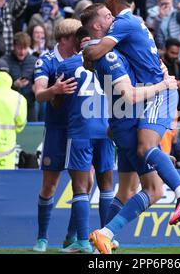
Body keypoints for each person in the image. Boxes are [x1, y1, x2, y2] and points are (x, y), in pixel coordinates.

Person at [83, 0, 180, 228]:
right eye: (104, 16)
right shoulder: (128, 27)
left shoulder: (123, 25)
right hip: (136, 106)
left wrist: (87, 52)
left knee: (145, 154)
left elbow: (94, 57)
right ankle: (104, 238)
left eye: (107, 9)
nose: (108, 15)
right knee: (130, 189)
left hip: (153, 96)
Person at [79, 3, 179, 254]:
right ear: (96, 25)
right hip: (130, 124)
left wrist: (158, 69)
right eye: (106, 15)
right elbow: (129, 94)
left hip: (123, 124)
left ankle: (104, 238)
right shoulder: (107, 53)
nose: (112, 17)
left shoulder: (111, 47)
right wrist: (164, 85)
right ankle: (106, 233)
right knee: (154, 190)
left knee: (126, 189)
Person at [55, 29, 115, 254]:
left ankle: (82, 242)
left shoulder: (68, 65)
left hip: (81, 130)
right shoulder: (111, 61)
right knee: (107, 185)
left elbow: (57, 101)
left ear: (80, 43)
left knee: (80, 188)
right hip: (107, 129)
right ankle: (108, 238)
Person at [33, 18, 82, 252]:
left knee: (84, 183)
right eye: (77, 38)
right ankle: (42, 237)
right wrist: (55, 90)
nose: (82, 41)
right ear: (64, 39)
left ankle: (71, 237)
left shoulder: (86, 59)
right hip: (56, 131)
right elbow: (39, 94)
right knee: (50, 186)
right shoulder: (47, 61)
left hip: (81, 130)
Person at [1, 32, 37, 122]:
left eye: (25, 48)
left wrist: (36, 87)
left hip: (29, 106)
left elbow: (40, 82)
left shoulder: (34, 61)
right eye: (19, 48)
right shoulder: (4, 61)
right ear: (14, 46)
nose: (22, 52)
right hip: (9, 105)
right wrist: (14, 85)